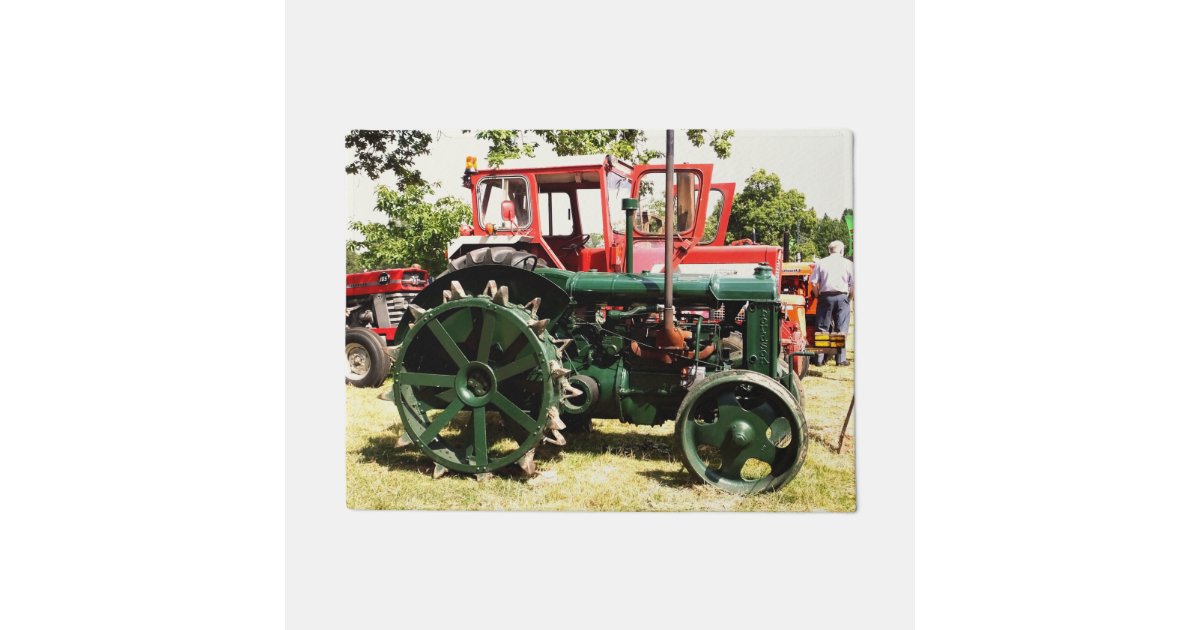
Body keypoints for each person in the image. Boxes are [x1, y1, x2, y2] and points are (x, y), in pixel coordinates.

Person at [810, 240, 854, 366]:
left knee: (822, 328)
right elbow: (853, 284)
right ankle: (840, 360)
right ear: (841, 250)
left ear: (829, 250)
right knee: (840, 329)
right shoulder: (848, 263)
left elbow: (813, 283)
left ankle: (819, 360)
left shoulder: (821, 263)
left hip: (825, 297)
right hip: (842, 297)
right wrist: (849, 297)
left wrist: (818, 295)